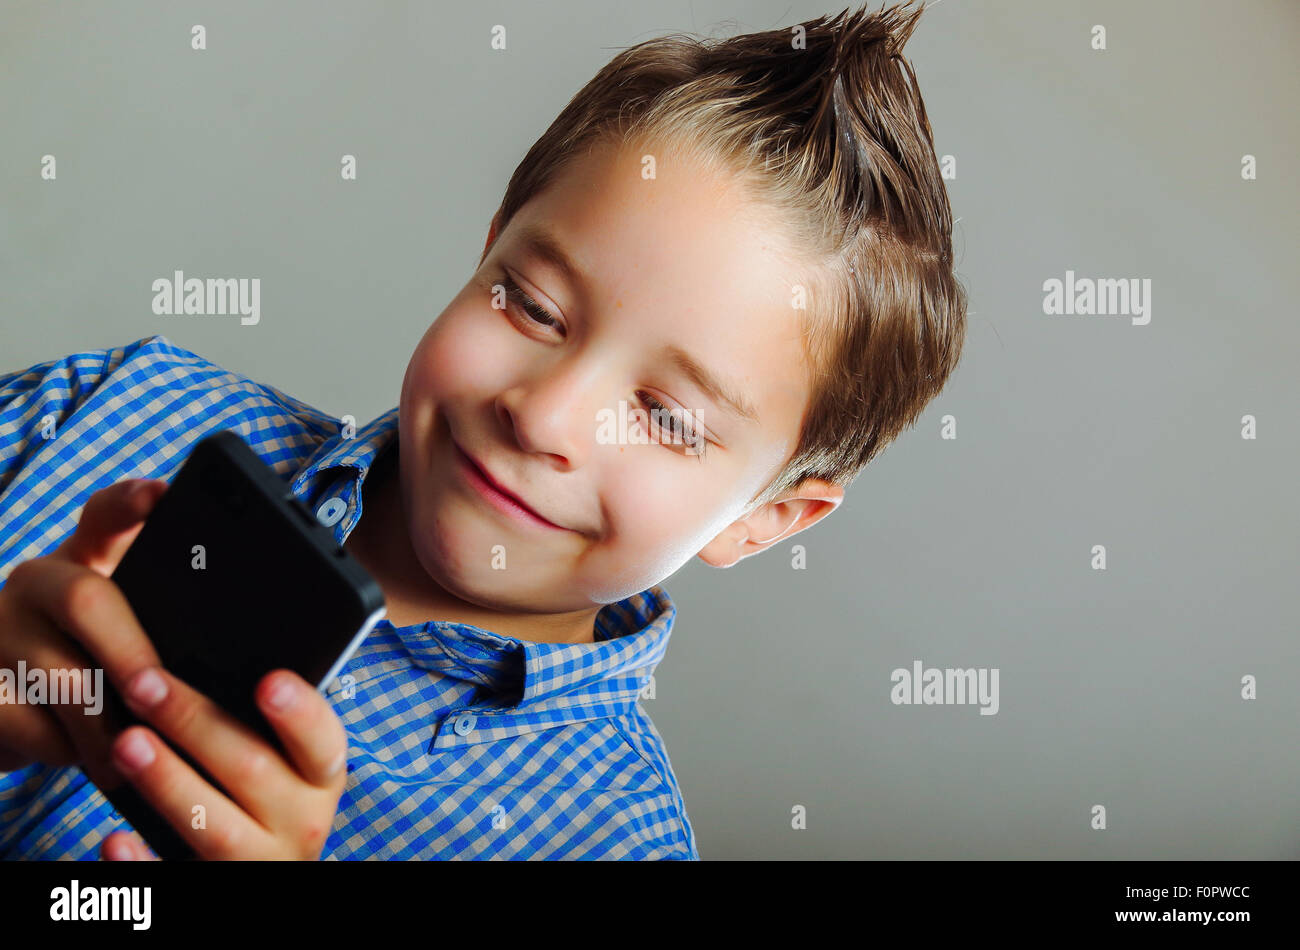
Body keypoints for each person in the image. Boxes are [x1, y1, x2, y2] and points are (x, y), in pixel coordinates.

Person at [0, 1, 966, 860]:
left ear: (767, 520)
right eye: (535, 308)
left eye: (667, 418)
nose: (543, 414)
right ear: (489, 245)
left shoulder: (612, 845)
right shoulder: (106, 409)